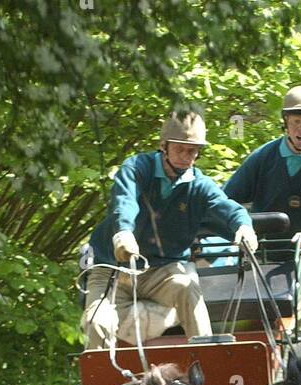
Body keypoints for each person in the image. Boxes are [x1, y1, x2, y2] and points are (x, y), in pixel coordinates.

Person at [83, 103, 258, 348]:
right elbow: (124, 202)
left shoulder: (199, 186)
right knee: (95, 322)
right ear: (163, 146)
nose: (187, 158)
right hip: (113, 267)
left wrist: (243, 227)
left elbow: (227, 208)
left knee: (188, 287)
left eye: (193, 151)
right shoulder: (136, 168)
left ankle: (207, 358)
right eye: (180, 150)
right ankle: (102, 383)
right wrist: (123, 232)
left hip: (162, 270)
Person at [224, 85, 301, 263]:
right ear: (286, 122)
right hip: (262, 255)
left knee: (299, 290)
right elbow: (226, 198)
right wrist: (239, 226)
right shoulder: (263, 157)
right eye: (296, 121)